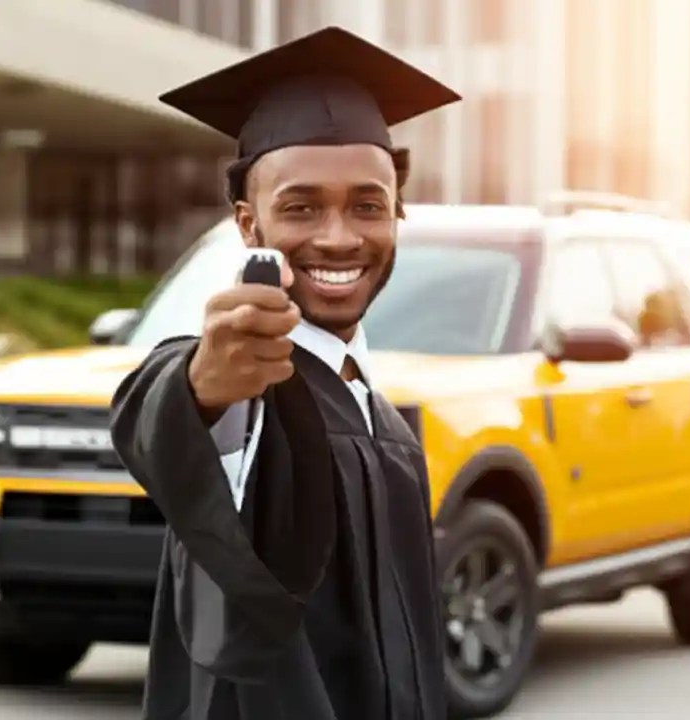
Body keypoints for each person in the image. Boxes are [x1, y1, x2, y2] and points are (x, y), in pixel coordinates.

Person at [109, 26, 462, 720]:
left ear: (398, 213)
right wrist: (203, 385)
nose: (338, 236)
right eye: (300, 207)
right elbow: (164, 412)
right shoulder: (252, 393)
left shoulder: (385, 421)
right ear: (248, 226)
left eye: (368, 204)